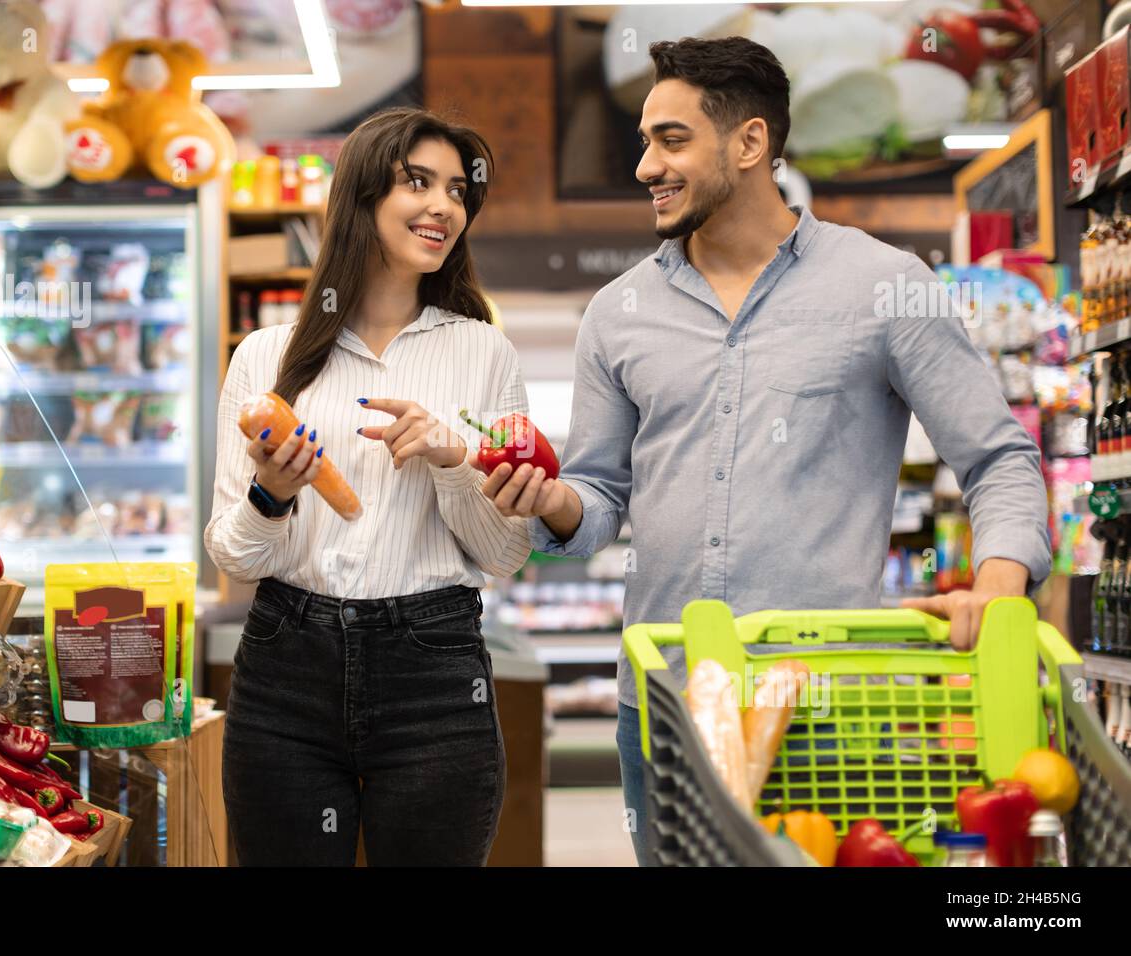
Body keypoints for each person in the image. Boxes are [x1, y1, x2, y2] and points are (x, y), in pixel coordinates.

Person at [480, 36, 1051, 865]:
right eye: (644, 141)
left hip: (825, 698)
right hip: (667, 694)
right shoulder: (617, 313)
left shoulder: (882, 286)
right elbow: (600, 494)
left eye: (671, 140)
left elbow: (999, 456)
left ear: (751, 144)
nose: (645, 165)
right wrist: (555, 503)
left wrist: (997, 586)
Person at [205, 107, 531, 866]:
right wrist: (272, 496)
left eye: (457, 190)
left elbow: (508, 553)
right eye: (417, 182)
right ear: (360, 197)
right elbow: (233, 551)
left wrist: (454, 464)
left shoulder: (485, 354)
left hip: (435, 673)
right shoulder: (266, 358)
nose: (443, 205)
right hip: (287, 664)